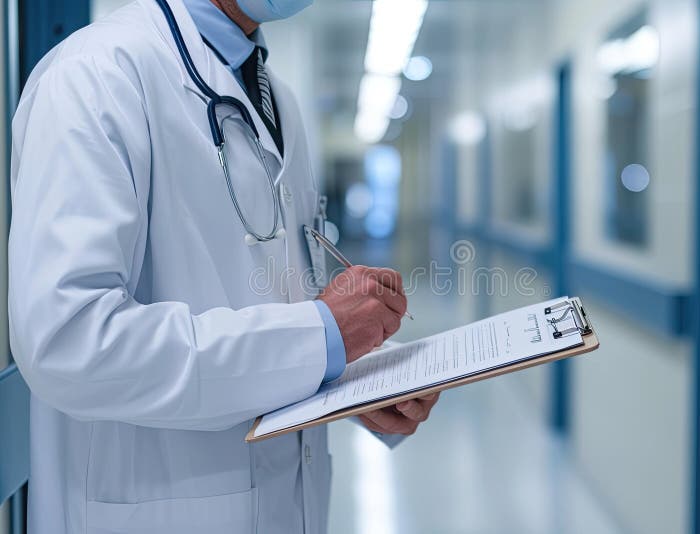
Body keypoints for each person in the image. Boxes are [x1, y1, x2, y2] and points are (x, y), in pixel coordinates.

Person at [8, 0, 439, 532]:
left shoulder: (275, 98)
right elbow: (69, 341)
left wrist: (353, 372)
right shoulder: (96, 75)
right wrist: (321, 337)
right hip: (151, 509)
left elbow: (271, 311)